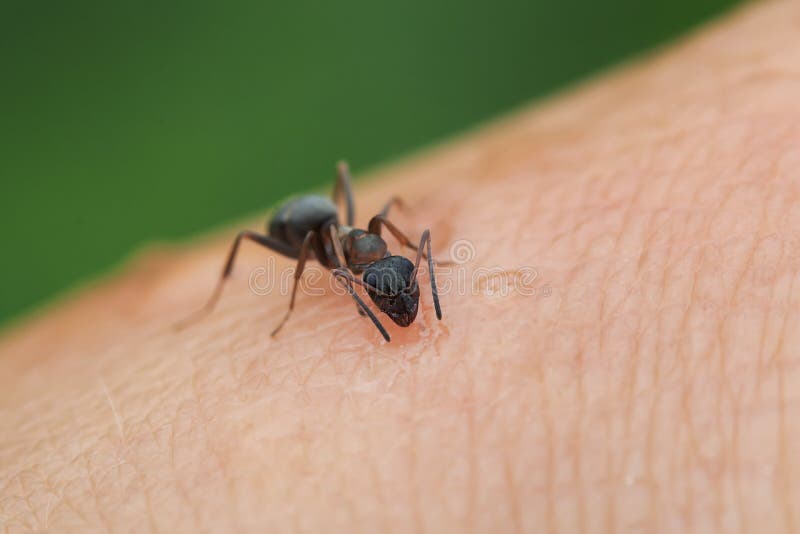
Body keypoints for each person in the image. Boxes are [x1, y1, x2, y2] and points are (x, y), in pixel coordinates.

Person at [1, 1, 797, 530]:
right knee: (263, 241)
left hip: (340, 224)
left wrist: (421, 263)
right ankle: (226, 303)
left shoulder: (374, 238)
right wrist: (292, 309)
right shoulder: (326, 256)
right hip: (296, 223)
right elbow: (341, 267)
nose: (390, 286)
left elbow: (382, 247)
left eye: (395, 282)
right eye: (389, 285)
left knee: (369, 209)